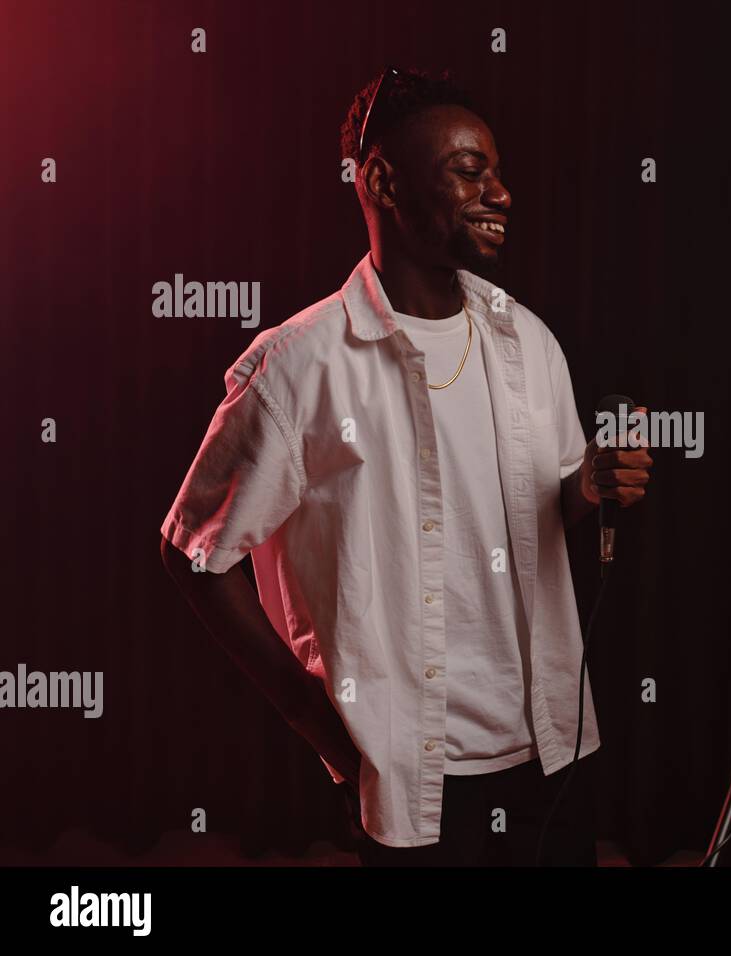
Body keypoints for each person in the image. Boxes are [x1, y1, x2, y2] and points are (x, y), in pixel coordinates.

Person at [159, 67, 652, 866]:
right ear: (382, 180)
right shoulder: (297, 367)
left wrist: (590, 487)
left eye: (496, 171)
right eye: (469, 171)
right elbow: (192, 554)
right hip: (413, 781)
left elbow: (546, 512)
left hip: (554, 756)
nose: (501, 193)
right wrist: (327, 731)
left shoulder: (526, 339)